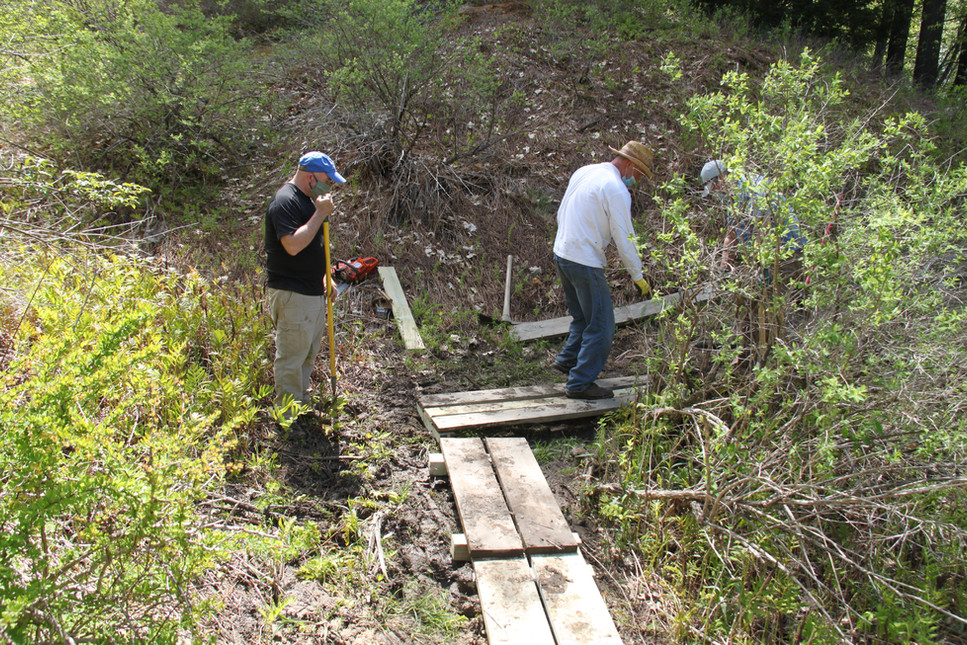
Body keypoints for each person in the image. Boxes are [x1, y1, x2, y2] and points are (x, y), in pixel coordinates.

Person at [551, 140, 655, 400]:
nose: (637, 181)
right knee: (602, 325)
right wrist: (638, 276)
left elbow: (562, 212)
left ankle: (567, 360)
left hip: (562, 252)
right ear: (630, 165)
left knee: (583, 318)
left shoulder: (585, 171)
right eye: (639, 175)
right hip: (584, 260)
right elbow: (625, 237)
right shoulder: (616, 189)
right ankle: (580, 384)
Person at [264, 151, 346, 417]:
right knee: (292, 359)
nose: (329, 186)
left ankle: (300, 405)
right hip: (292, 294)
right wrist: (320, 213)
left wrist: (325, 277)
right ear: (311, 177)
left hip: (312, 293)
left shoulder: (310, 203)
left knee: (307, 355)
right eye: (327, 180)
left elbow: (314, 248)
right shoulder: (285, 201)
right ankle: (287, 418)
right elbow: (293, 245)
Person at [700, 160, 806, 277]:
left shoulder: (754, 188)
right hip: (766, 253)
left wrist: (762, 264)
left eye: (714, 187)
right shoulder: (734, 197)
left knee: (783, 291)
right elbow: (732, 235)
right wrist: (723, 270)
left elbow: (765, 228)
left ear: (721, 178)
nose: (716, 192)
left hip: (787, 251)